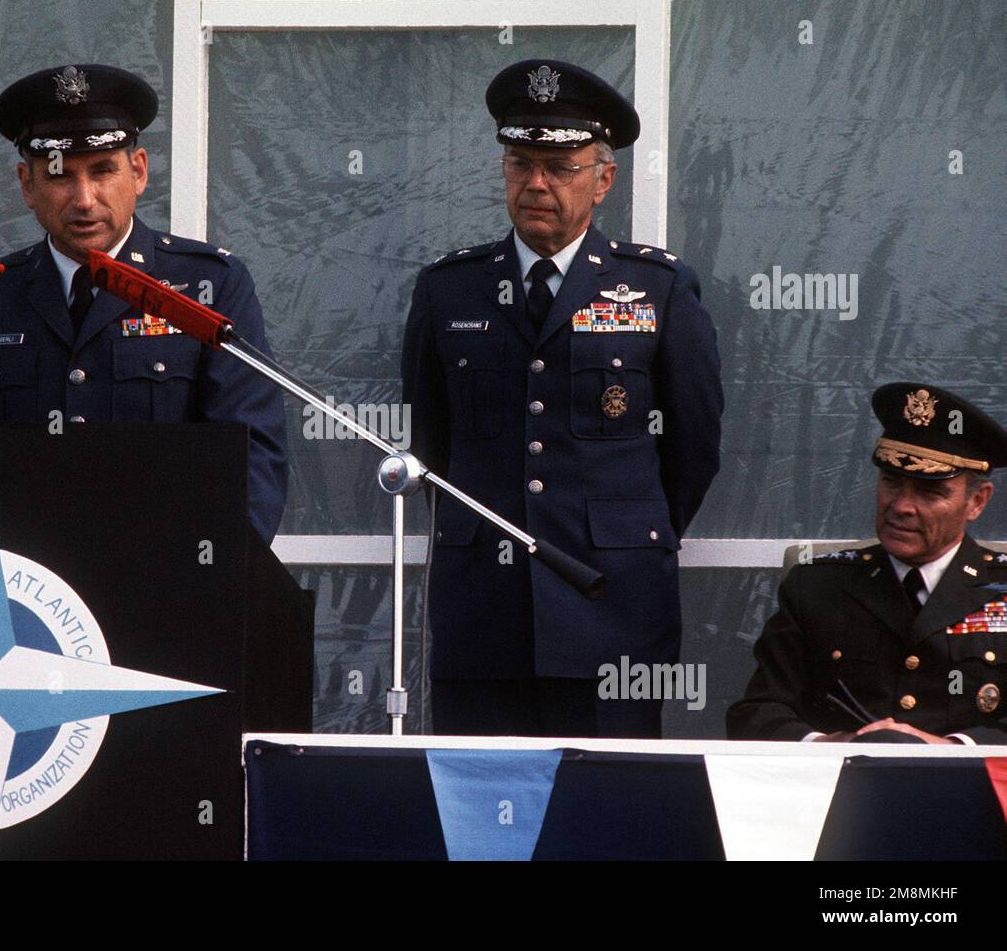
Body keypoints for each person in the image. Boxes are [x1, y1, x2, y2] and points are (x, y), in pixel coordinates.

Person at [401, 60, 723, 737]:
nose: (537, 183)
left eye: (560, 166)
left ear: (603, 179)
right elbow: (432, 442)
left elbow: (693, 448)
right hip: (482, 610)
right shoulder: (448, 290)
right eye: (521, 163)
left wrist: (627, 535)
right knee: (481, 817)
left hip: (613, 606)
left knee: (611, 817)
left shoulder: (657, 289)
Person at [0, 64, 288, 541]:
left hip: (167, 573)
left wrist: (213, 570)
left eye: (103, 171)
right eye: (60, 177)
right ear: (27, 185)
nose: (84, 199)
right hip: (25, 588)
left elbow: (252, 455)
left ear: (137, 172)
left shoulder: (208, 287)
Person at [728, 382, 1007, 744]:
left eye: (928, 492)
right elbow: (756, 713)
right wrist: (831, 745)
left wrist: (950, 750)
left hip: (971, 793)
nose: (902, 506)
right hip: (839, 789)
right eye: (892, 482)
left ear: (977, 502)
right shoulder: (817, 586)